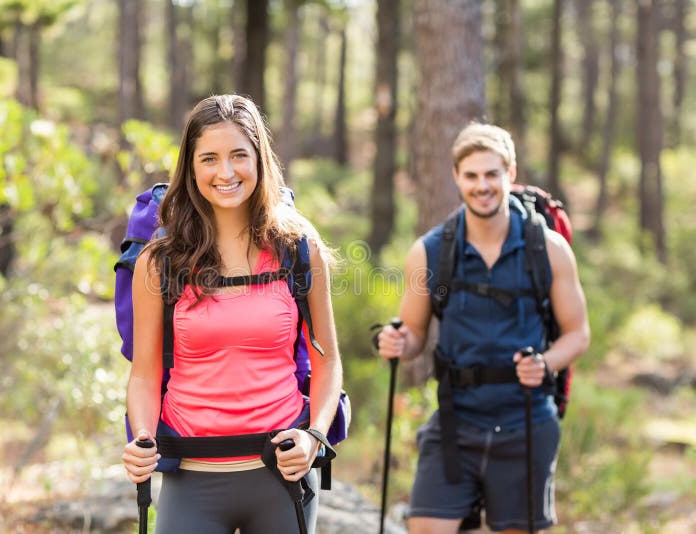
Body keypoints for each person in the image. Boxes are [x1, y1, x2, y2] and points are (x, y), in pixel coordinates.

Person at [122, 94, 343, 534]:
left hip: (284, 473)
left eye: (239, 155)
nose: (225, 172)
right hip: (191, 474)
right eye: (209, 158)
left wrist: (313, 434)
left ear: (259, 159)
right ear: (191, 168)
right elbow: (145, 373)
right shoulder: (158, 262)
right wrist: (142, 437)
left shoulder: (299, 248)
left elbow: (328, 361)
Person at [377, 122, 589, 534]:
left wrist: (545, 363)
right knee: (425, 527)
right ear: (456, 178)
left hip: (525, 420)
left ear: (510, 174)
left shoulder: (548, 248)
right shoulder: (430, 252)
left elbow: (578, 333)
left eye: (492, 174)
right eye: (471, 176)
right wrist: (398, 342)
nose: (482, 185)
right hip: (456, 421)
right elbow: (415, 335)